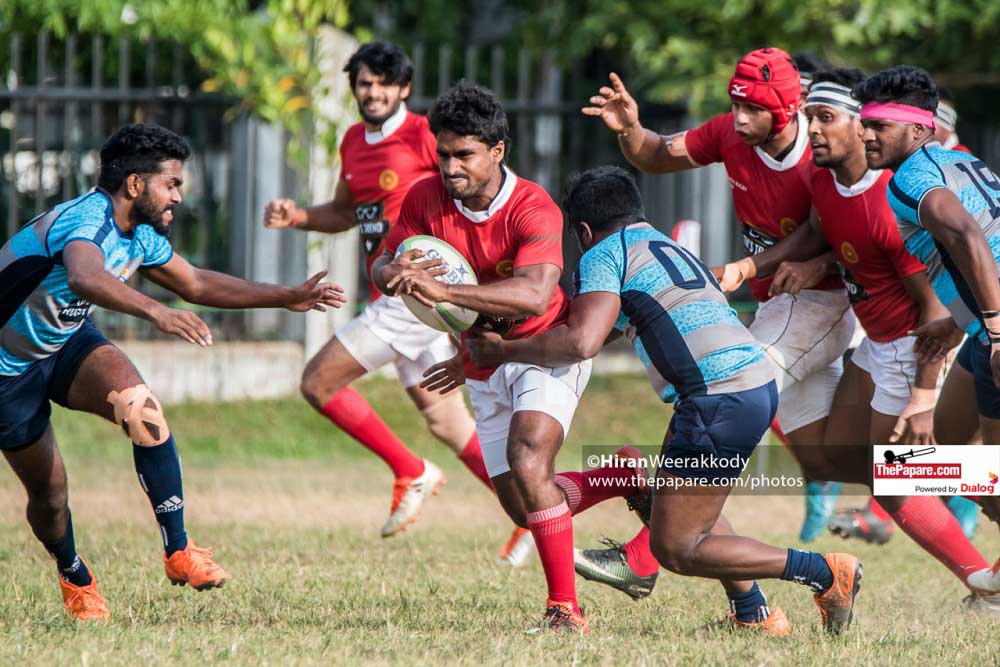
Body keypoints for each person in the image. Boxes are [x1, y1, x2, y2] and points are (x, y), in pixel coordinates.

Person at [468, 166, 863, 636]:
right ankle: (753, 613)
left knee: (678, 547)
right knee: (691, 508)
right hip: (743, 388)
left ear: (584, 231)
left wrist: (504, 351)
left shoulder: (603, 254)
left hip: (717, 397)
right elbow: (612, 325)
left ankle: (824, 572)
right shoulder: (660, 244)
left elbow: (582, 341)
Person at [0, 123, 345, 620]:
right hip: (8, 371)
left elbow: (197, 283)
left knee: (142, 412)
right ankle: (74, 573)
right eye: (172, 184)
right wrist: (155, 311)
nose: (179, 196)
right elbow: (84, 275)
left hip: (66, 341)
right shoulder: (87, 219)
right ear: (135, 184)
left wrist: (287, 296)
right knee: (50, 497)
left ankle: (178, 550)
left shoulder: (140, 234)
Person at [573, 47, 856, 595]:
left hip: (821, 305)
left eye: (753, 109)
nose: (740, 119)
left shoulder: (821, 151)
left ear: (788, 109)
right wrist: (630, 130)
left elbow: (840, 227)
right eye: (735, 105)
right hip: (779, 306)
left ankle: (645, 557)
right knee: (842, 462)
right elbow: (657, 154)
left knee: (722, 388)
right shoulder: (731, 132)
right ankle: (752, 610)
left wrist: (760, 265)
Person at [718, 68, 1000, 610]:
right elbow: (829, 233)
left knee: (921, 474)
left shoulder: (904, 187)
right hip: (918, 338)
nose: (816, 130)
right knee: (845, 463)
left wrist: (927, 388)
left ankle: (985, 585)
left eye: (829, 118)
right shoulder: (841, 180)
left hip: (931, 343)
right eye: (812, 117)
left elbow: (951, 265)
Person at [372, 82, 648, 634]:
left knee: (528, 457)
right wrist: (393, 272)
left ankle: (564, 610)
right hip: (482, 359)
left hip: (545, 348)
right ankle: (621, 475)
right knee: (524, 507)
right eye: (443, 154)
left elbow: (535, 295)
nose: (450, 167)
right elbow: (381, 264)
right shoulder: (425, 198)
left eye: (464, 155)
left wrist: (445, 291)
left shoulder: (531, 206)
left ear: (497, 151)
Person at [263, 42, 532, 563]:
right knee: (447, 423)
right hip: (394, 291)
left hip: (417, 291)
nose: (374, 92)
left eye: (385, 83)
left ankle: (410, 470)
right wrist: (298, 217)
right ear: (354, 88)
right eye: (365, 83)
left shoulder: (426, 136)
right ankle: (527, 516)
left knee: (317, 381)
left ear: (404, 88)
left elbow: (471, 190)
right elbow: (348, 212)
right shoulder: (352, 141)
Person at [857, 65, 1000, 606]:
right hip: (981, 327)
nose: (867, 135)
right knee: (941, 446)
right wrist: (959, 320)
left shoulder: (911, 178)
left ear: (918, 129)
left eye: (880, 126)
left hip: (995, 331)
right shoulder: (960, 160)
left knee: (979, 475)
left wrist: (995, 329)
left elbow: (969, 236)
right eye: (865, 124)